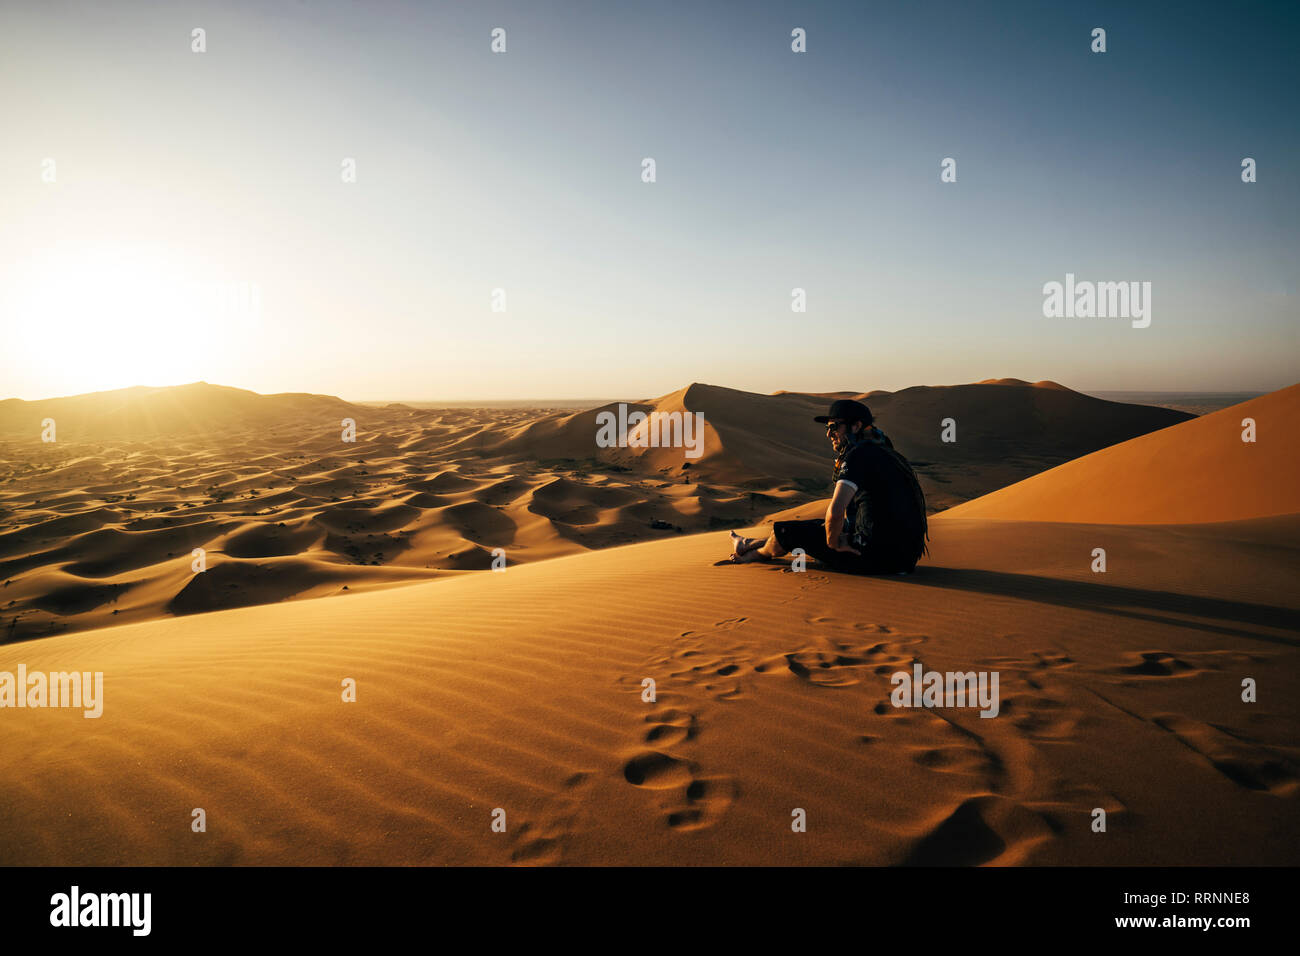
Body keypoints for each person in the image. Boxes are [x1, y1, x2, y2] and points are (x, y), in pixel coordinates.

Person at [729, 399, 928, 573]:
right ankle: (747, 544)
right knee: (818, 526)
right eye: (828, 428)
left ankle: (754, 556)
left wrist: (835, 543)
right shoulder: (886, 451)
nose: (829, 434)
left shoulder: (858, 455)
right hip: (902, 560)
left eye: (835, 427)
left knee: (788, 532)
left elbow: (835, 512)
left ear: (856, 426)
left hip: (871, 559)